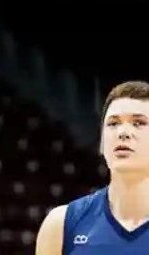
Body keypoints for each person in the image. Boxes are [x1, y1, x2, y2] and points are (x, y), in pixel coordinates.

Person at [35, 80, 149, 255]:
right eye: (113, 123)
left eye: (138, 123)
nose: (123, 132)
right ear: (102, 142)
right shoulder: (61, 224)